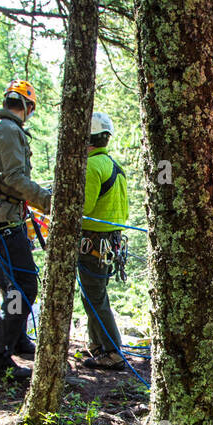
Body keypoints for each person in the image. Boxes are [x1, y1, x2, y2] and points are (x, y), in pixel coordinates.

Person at [0, 80, 51, 383]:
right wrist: (48, 200)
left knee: (12, 286)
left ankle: (17, 340)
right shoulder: (7, 130)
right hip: (5, 221)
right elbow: (15, 177)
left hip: (0, 217)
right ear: (27, 107)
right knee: (23, 288)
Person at [78, 111, 129, 371]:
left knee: (95, 298)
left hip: (93, 243)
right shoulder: (113, 165)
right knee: (93, 296)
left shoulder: (92, 167)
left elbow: (83, 208)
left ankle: (112, 351)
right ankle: (99, 346)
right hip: (109, 244)